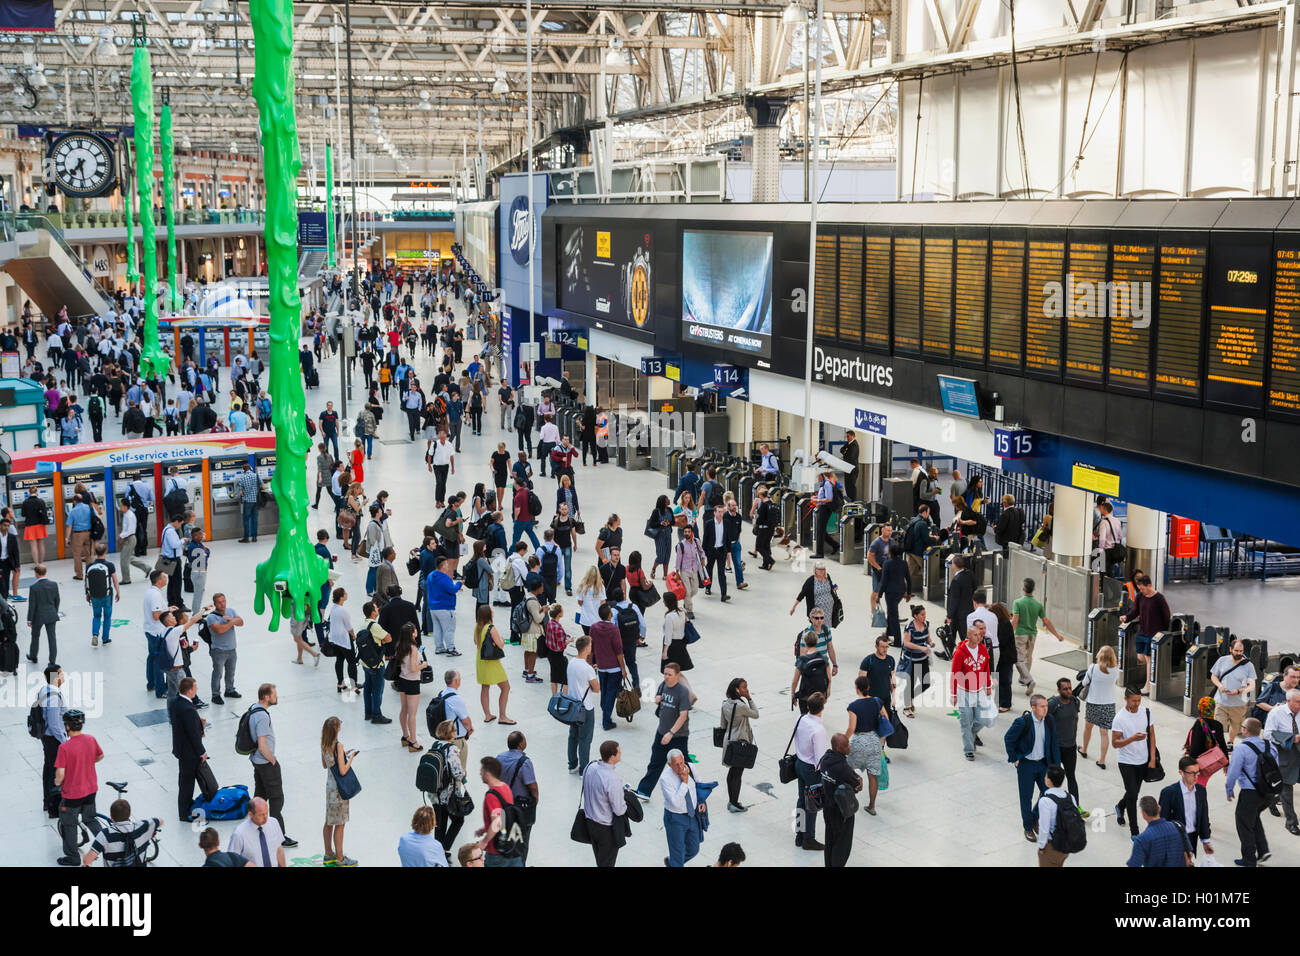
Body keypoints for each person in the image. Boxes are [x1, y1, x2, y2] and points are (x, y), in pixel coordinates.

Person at [1004, 693, 1061, 841]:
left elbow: (1054, 742)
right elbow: (1008, 738)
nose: (1045, 709)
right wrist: (1014, 758)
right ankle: (1028, 828)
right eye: (1042, 707)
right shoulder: (1023, 722)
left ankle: (1034, 817)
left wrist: (1056, 765)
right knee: (1026, 798)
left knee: (1048, 793)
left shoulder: (1049, 720)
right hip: (1027, 765)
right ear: (1033, 707)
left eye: (1046, 706)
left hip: (1043, 764)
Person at [247, 683, 297, 847]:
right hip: (266, 763)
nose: (276, 697)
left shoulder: (253, 708)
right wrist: (273, 760)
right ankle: (279, 837)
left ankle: (253, 830)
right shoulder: (262, 716)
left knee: (259, 796)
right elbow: (262, 744)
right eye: (274, 694)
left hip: (257, 761)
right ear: (266, 697)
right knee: (277, 800)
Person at [634, 661, 693, 798]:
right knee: (655, 762)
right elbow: (657, 698)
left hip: (678, 736)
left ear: (677, 675)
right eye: (665, 674)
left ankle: (693, 788)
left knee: (683, 765)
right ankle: (644, 791)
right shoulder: (663, 685)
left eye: (669, 674)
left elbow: (683, 716)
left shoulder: (683, 692)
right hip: (661, 732)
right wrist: (657, 699)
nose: (666, 677)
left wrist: (671, 733)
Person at [53, 709, 103, 866]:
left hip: (72, 795)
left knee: (69, 824)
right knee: (90, 819)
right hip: (90, 790)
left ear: (67, 727)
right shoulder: (90, 739)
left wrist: (56, 782)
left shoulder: (64, 748)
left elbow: (60, 774)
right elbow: (100, 756)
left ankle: (73, 857)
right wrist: (86, 763)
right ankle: (106, 843)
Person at [1225, 717, 1274, 867]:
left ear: (1245, 730)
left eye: (1242, 726)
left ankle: (1249, 860)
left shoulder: (1242, 748)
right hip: (1268, 793)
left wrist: (1229, 789)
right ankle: (1263, 849)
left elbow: (1233, 772)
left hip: (1250, 793)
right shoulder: (1269, 746)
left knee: (1244, 823)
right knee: (1253, 817)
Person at [1112, 687, 1157, 837]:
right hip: (1126, 762)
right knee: (1133, 795)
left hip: (1143, 761)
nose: (1137, 703)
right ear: (1126, 699)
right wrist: (1132, 738)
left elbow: (1152, 736)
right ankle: (1135, 832)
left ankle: (1120, 806)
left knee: (1133, 793)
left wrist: (1151, 759)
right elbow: (1115, 743)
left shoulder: (1146, 713)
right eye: (1134, 700)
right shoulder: (1119, 718)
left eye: (1139, 700)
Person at [1119, 573, 1169, 696]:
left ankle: (1148, 686)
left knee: (1148, 659)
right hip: (1142, 632)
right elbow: (1135, 611)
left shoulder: (1159, 598)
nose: (1140, 591)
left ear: (1149, 585)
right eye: (1139, 589)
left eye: (1142, 588)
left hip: (1153, 634)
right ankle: (1149, 679)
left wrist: (1162, 634)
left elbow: (1166, 616)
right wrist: (1127, 617)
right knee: (1140, 657)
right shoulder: (1140, 597)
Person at [581, 740, 629, 867]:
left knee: (600, 859)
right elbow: (619, 810)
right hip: (606, 828)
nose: (621, 753)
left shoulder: (590, 767)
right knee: (607, 863)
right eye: (619, 752)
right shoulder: (612, 778)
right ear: (612, 757)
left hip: (590, 822)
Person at [951, 620, 994, 761]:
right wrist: (953, 694)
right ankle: (969, 749)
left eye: (979, 634)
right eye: (975, 635)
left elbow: (986, 669)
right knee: (966, 721)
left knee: (982, 720)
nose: (979, 636)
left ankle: (970, 735)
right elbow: (955, 673)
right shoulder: (960, 653)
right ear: (969, 636)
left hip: (979, 690)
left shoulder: (982, 649)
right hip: (964, 692)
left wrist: (988, 685)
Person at [791, 691, 829, 852]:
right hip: (811, 769)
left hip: (799, 763)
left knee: (801, 800)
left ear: (808, 706)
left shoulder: (800, 719)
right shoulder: (819, 730)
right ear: (823, 707)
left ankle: (799, 834)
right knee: (812, 804)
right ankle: (809, 839)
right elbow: (820, 758)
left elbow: (796, 739)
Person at [819, 732, 863, 868]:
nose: (849, 747)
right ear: (838, 748)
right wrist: (858, 782)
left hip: (828, 807)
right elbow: (856, 785)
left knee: (830, 839)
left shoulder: (825, 759)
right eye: (846, 745)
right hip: (841, 811)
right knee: (842, 844)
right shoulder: (842, 767)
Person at [1010, 577, 1062, 693]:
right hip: (1032, 634)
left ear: (1023, 589)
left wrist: (1009, 634)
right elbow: (1046, 621)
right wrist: (1057, 635)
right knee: (1028, 657)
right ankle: (1023, 679)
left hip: (1020, 634)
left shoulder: (1017, 602)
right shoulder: (1038, 605)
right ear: (1033, 589)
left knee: (1019, 659)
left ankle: (1028, 680)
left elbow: (1015, 620)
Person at [844, 676, 887, 815]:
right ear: (868, 687)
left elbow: (852, 728)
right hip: (874, 741)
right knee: (872, 775)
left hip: (859, 741)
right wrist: (881, 742)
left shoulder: (853, 706)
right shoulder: (877, 701)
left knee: (848, 770)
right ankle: (872, 806)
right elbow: (885, 718)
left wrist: (844, 741)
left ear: (857, 688)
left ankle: (848, 800)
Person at [1159, 756, 1214, 859]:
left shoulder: (1201, 791)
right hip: (1175, 839)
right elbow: (1162, 820)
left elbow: (1203, 817)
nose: (1196, 776)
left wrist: (1205, 840)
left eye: (1197, 772)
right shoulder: (1169, 792)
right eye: (1192, 773)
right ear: (1181, 772)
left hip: (1191, 838)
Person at [320, 716, 357, 867]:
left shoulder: (324, 744)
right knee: (340, 824)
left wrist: (342, 756)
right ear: (336, 728)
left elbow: (325, 765)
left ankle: (328, 854)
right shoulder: (338, 745)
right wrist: (351, 758)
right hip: (339, 789)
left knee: (329, 821)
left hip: (330, 787)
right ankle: (341, 859)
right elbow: (342, 771)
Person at [169, 676, 207, 823]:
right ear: (190, 690)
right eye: (195, 688)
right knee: (187, 782)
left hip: (181, 749)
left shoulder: (176, 702)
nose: (196, 690)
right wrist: (202, 752)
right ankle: (184, 812)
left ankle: (185, 805)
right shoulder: (188, 709)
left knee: (183, 779)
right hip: (189, 752)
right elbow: (193, 735)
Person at [497, 731, 538, 863]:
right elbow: (532, 786)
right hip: (520, 809)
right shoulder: (525, 762)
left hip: (503, 806)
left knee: (504, 837)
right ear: (521, 744)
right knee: (522, 842)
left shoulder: (499, 757)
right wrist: (534, 802)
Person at [81, 799, 162, 867]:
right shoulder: (142, 826)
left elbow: (87, 861)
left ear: (111, 816)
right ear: (129, 814)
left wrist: (85, 858)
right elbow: (160, 821)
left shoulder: (104, 835)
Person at [1263, 687, 1300, 836]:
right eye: (1297, 702)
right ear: (1288, 701)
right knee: (1287, 788)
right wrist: (1289, 738)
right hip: (1284, 754)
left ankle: (1272, 800)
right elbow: (1268, 734)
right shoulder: (1276, 713)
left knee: (1281, 787)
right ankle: (1291, 822)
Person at [718, 678, 758, 814]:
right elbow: (756, 714)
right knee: (737, 774)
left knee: (732, 772)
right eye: (744, 688)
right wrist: (749, 698)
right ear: (737, 690)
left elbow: (723, 725)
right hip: (740, 742)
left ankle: (732, 801)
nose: (746, 690)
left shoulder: (725, 704)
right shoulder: (741, 706)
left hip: (729, 741)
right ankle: (734, 803)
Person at [659, 749, 705, 867]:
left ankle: (672, 862)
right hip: (675, 818)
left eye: (681, 762)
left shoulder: (690, 767)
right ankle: (675, 862)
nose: (680, 767)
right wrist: (684, 782)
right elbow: (675, 802)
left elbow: (699, 784)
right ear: (669, 765)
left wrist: (701, 801)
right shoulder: (665, 778)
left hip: (692, 815)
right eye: (676, 764)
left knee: (694, 849)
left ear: (684, 759)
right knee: (677, 853)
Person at [475, 756, 522, 868]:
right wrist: (485, 828)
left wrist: (484, 841)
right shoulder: (505, 787)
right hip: (512, 847)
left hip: (497, 853)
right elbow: (505, 815)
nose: (480, 773)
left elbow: (497, 822)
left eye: (481, 770)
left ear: (487, 773)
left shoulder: (491, 795)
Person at [1211, 639, 1257, 745]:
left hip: (1239, 704)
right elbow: (1213, 676)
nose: (1239, 653)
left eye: (1241, 651)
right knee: (1218, 726)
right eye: (1236, 651)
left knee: (1236, 727)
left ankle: (1230, 742)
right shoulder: (1222, 660)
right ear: (1230, 649)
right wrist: (1220, 686)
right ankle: (1218, 745)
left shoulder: (1248, 665)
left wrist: (1239, 691)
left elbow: (1252, 685)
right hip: (1221, 702)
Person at [35, 665, 67, 818]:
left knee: (48, 768)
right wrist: (63, 741)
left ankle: (47, 801)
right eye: (61, 673)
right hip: (53, 739)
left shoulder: (44, 689)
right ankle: (54, 804)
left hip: (46, 737)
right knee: (55, 771)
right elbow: (54, 724)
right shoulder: (54, 696)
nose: (63, 676)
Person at [473, 604, 513, 725]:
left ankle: (487, 715)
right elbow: (501, 644)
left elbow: (476, 641)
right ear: (488, 614)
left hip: (481, 661)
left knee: (485, 687)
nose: (493, 612)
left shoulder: (477, 627)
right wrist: (500, 640)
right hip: (492, 663)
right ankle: (502, 716)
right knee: (505, 687)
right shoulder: (491, 628)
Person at [1080, 645, 1118, 769]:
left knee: (1088, 727)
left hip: (1093, 703)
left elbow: (1084, 683)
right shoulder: (1116, 670)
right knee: (1104, 733)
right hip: (1108, 705)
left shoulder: (1093, 668)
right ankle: (1102, 760)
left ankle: (1084, 749)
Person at [1126, 796, 1192, 867]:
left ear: (1143, 814)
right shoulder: (1179, 826)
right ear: (1159, 808)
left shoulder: (1141, 840)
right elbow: (1189, 853)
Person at [1047, 678, 1083, 806]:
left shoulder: (1075, 702)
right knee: (1054, 779)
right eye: (1065, 689)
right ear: (1059, 690)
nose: (1068, 691)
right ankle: (1051, 805)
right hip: (1056, 748)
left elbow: (1076, 718)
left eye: (1070, 688)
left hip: (1070, 747)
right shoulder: (1052, 704)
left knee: (1071, 777)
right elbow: (1043, 721)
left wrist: (1073, 734)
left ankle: (1075, 807)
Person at [566, 635, 599, 773]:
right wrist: (594, 674)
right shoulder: (588, 669)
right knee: (585, 738)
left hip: (573, 706)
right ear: (586, 649)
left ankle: (572, 764)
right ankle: (583, 768)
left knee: (573, 736)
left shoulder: (571, 662)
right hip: (586, 707)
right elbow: (596, 689)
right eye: (590, 646)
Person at [1035, 766, 1078, 867]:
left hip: (1051, 847)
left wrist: (1041, 846)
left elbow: (1044, 828)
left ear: (1049, 781)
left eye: (1046, 776)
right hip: (1066, 846)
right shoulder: (1070, 797)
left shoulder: (1045, 801)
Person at [205, 592, 243, 705]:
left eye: (224, 601)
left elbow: (241, 622)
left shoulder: (231, 611)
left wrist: (231, 621)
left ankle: (230, 690)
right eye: (220, 602)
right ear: (215, 604)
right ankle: (215, 695)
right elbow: (219, 630)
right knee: (218, 673)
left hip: (232, 649)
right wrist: (232, 622)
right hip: (218, 651)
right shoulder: (211, 617)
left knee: (231, 672)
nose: (223, 604)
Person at [228, 797, 287, 868]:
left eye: (266, 813)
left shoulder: (274, 823)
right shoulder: (239, 834)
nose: (265, 817)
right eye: (261, 815)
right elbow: (232, 860)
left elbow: (279, 849)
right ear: (250, 814)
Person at [1185, 696, 1229, 786]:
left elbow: (1194, 746)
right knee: (1201, 785)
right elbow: (1222, 744)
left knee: (1195, 788)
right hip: (1210, 763)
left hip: (1198, 764)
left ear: (1200, 708)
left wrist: (1190, 767)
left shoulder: (1199, 723)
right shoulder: (1218, 725)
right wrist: (1227, 763)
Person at [83, 542, 119, 648]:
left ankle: (95, 635)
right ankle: (105, 639)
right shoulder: (110, 565)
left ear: (95, 552)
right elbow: (115, 580)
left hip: (94, 596)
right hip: (107, 595)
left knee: (96, 616)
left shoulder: (89, 566)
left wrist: (87, 593)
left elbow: (86, 582)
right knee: (107, 616)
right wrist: (118, 592)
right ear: (105, 552)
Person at [900, 604, 932, 718]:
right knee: (911, 683)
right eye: (922, 615)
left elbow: (928, 638)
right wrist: (921, 648)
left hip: (923, 659)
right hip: (912, 659)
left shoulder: (926, 624)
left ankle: (910, 697)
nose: (924, 616)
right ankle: (906, 707)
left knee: (926, 683)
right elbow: (906, 643)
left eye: (925, 614)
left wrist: (930, 643)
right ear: (915, 616)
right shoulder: (910, 627)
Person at [26, 563, 59, 665]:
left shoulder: (34, 587)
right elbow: (57, 600)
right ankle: (52, 661)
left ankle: (33, 656)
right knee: (52, 638)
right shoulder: (54, 584)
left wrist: (29, 619)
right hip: (51, 614)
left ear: (36, 573)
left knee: (35, 636)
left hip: (38, 616)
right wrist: (54, 611)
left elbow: (32, 605)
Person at [701, 503, 733, 603]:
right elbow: (705, 539)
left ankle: (724, 594)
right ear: (715, 513)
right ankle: (708, 587)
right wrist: (703, 553)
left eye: (723, 512)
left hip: (721, 550)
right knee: (709, 569)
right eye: (719, 512)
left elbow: (728, 538)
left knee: (721, 573)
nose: (721, 514)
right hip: (711, 550)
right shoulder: (709, 523)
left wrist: (728, 551)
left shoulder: (727, 523)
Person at [945, 554, 975, 644]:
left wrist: (949, 615)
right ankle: (949, 652)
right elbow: (975, 586)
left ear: (955, 565)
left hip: (958, 613)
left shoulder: (956, 580)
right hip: (968, 609)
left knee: (961, 635)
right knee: (953, 633)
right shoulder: (969, 573)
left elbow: (954, 600)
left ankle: (966, 654)